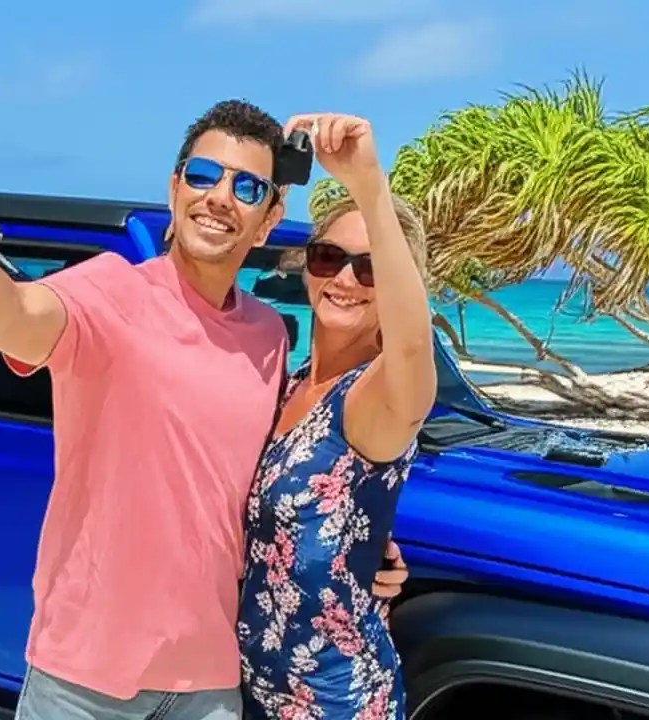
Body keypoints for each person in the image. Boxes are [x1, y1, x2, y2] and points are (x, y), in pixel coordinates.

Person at [0, 100, 411, 720]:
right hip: (85, 679)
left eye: (247, 187)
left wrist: (357, 545)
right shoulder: (110, 290)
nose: (220, 196)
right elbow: (13, 317)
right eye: (203, 175)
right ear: (174, 189)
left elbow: (279, 469)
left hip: (213, 683)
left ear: (270, 219)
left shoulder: (270, 336)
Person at [236, 114, 436, 719]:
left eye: (371, 267)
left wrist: (368, 185)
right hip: (249, 693)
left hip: (334, 703)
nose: (345, 278)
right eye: (328, 257)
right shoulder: (284, 386)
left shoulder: (373, 400)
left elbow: (409, 348)